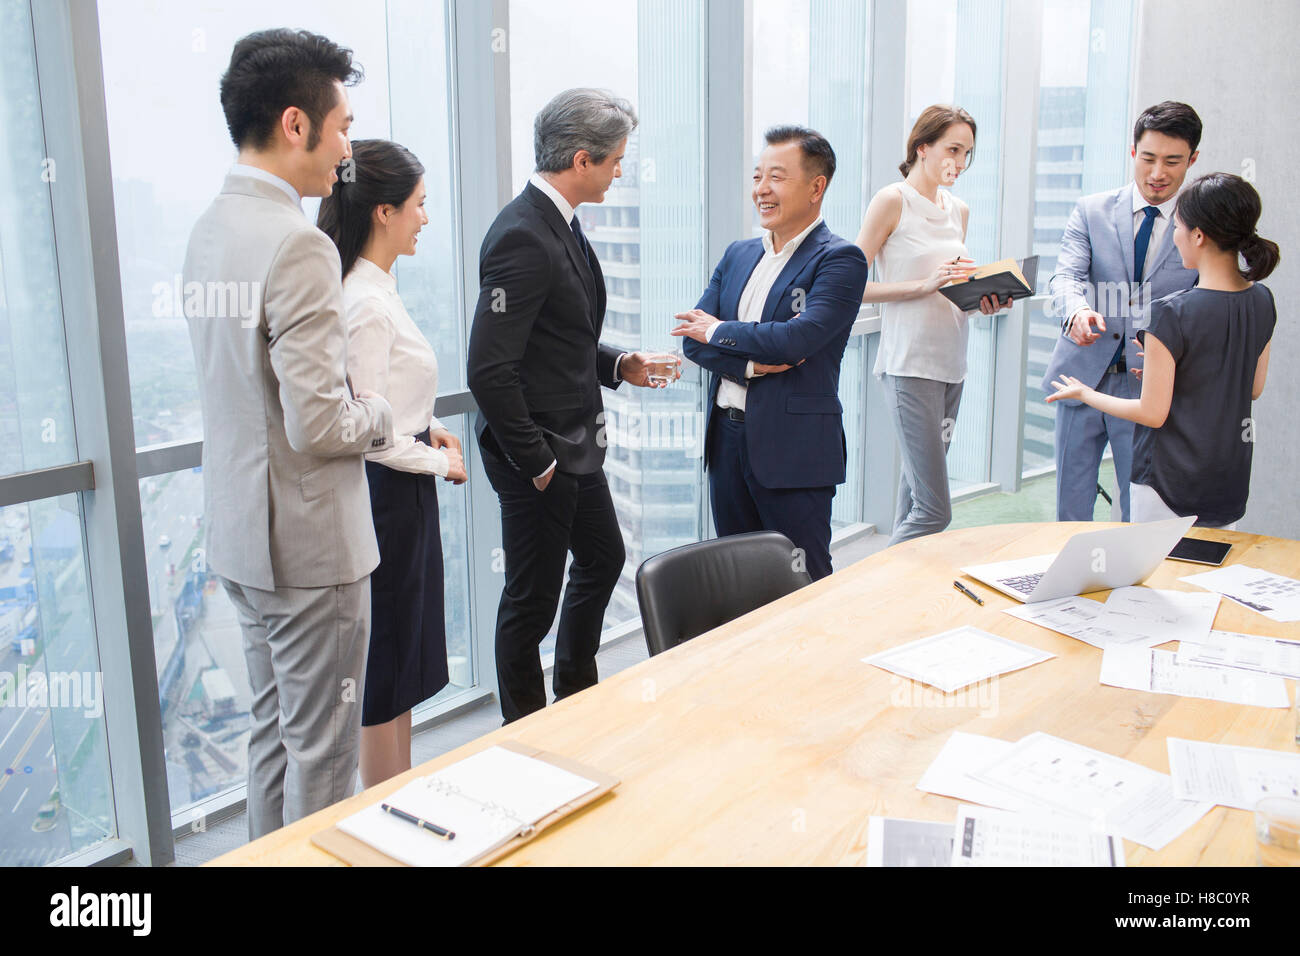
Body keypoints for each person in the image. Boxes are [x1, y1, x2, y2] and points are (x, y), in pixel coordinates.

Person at [183, 29, 394, 838]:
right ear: (297, 124)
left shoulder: (211, 228)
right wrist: (379, 411)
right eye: (342, 127)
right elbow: (321, 425)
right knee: (324, 759)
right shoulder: (297, 243)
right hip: (309, 551)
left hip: (240, 535)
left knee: (272, 742)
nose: (347, 150)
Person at [467, 89, 668, 724]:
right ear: (582, 159)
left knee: (604, 556)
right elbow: (488, 369)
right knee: (531, 600)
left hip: (573, 442)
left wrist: (616, 364)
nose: (618, 173)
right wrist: (537, 462)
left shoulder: (560, 222)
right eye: (615, 162)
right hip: (539, 453)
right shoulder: (522, 236)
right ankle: (525, 729)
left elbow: (557, 335)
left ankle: (577, 694)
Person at [317, 140, 467, 787]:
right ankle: (386, 812)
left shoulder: (376, 287)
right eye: (419, 205)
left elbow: (385, 401)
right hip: (386, 500)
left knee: (401, 661)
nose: (425, 218)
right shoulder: (366, 302)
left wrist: (429, 428)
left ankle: (401, 796)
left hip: (399, 494)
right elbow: (371, 439)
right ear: (383, 212)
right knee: (385, 671)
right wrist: (442, 466)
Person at [670, 126, 868, 580]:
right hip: (726, 440)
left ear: (817, 187)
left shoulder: (840, 259)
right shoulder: (738, 254)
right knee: (737, 579)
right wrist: (751, 361)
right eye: (758, 176)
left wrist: (719, 330)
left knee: (804, 579)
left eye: (776, 177)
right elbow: (690, 339)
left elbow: (798, 339)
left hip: (794, 449)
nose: (761, 189)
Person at [1047, 172, 1277, 529]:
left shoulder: (1171, 313)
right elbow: (1252, 387)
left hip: (1167, 480)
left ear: (1198, 236)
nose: (1175, 235)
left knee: (1152, 576)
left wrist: (1086, 394)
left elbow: (1152, 413)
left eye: (1179, 227)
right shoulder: (1262, 299)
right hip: (1226, 478)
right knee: (1205, 576)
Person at [1041, 101, 1202, 521]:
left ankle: (1131, 590)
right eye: (1148, 159)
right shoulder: (1091, 210)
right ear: (1133, 153)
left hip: (1147, 389)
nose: (1157, 173)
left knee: (1138, 513)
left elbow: (1205, 299)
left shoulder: (1201, 224)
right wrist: (1075, 311)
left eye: (1173, 161)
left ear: (1193, 160)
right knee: (1069, 510)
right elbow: (1064, 277)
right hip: (1080, 377)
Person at [854, 105, 1006, 546]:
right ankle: (874, 593)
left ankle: (900, 601)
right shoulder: (892, 200)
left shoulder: (958, 209)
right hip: (910, 365)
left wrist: (984, 301)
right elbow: (850, 286)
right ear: (923, 147)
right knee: (935, 510)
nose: (959, 163)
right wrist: (922, 284)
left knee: (916, 499)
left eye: (967, 154)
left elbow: (950, 290)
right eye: (952, 150)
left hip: (951, 364)